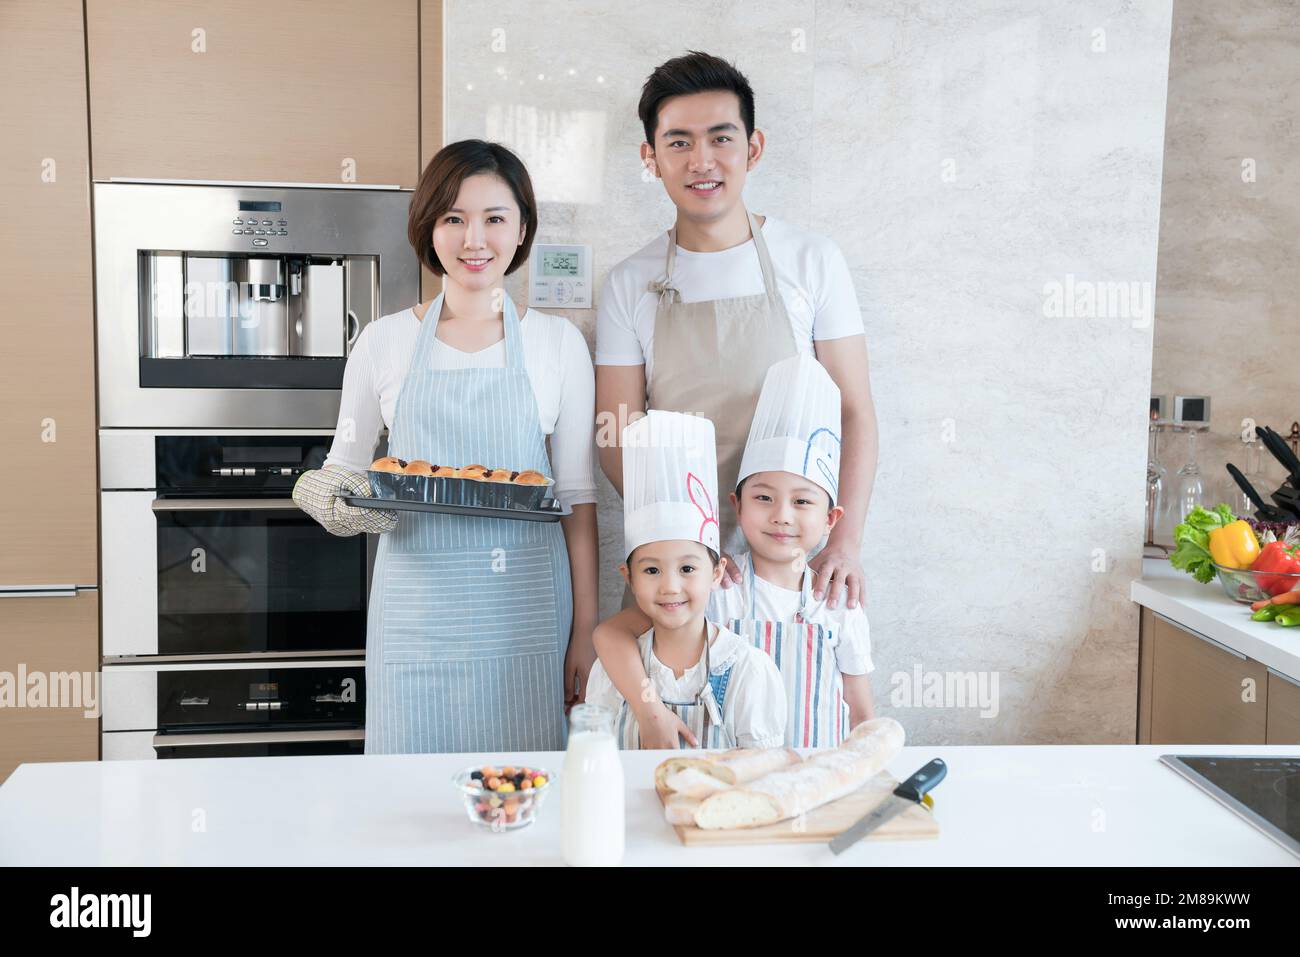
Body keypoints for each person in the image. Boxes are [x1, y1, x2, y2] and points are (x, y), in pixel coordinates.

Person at [594, 51, 878, 747]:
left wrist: (841, 539)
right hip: (685, 563)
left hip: (790, 551)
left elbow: (855, 412)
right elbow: (614, 433)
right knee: (677, 749)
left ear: (752, 147)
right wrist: (685, 548)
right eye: (678, 142)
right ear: (650, 156)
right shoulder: (630, 283)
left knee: (790, 737)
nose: (702, 160)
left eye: (721, 137)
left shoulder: (812, 259)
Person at [293, 140, 599, 752]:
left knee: (524, 809)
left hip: (526, 616)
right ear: (428, 227)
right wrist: (330, 497)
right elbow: (344, 471)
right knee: (412, 810)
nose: (473, 239)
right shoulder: (382, 343)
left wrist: (586, 630)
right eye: (453, 218)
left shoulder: (557, 344)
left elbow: (577, 499)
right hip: (417, 619)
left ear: (521, 230)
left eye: (494, 218)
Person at [594, 356, 875, 748]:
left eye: (802, 502)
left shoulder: (838, 603)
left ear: (832, 519)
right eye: (763, 497)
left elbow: (860, 711)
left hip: (818, 778)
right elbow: (612, 634)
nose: (781, 516)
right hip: (735, 778)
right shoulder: (715, 587)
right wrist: (649, 710)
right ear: (737, 505)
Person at [584, 410, 785, 749]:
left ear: (716, 573)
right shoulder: (610, 673)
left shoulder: (748, 672)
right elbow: (597, 761)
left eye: (688, 569)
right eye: (651, 570)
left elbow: (762, 775)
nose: (670, 586)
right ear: (628, 578)